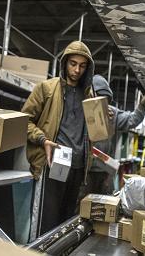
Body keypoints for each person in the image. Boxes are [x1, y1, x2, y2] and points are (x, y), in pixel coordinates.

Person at [22, 40, 98, 234]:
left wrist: (102, 118)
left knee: (66, 224)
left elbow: (94, 131)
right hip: (54, 163)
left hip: (79, 168)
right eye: (73, 63)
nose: (77, 70)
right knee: (47, 222)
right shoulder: (46, 89)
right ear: (64, 63)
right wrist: (42, 140)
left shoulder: (90, 95)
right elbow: (24, 122)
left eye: (82, 65)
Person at [88, 74, 145, 194]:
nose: (101, 102)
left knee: (102, 204)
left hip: (104, 170)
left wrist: (142, 105)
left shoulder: (111, 113)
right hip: (85, 170)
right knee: (81, 204)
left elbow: (132, 120)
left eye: (105, 99)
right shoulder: (82, 111)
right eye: (99, 97)